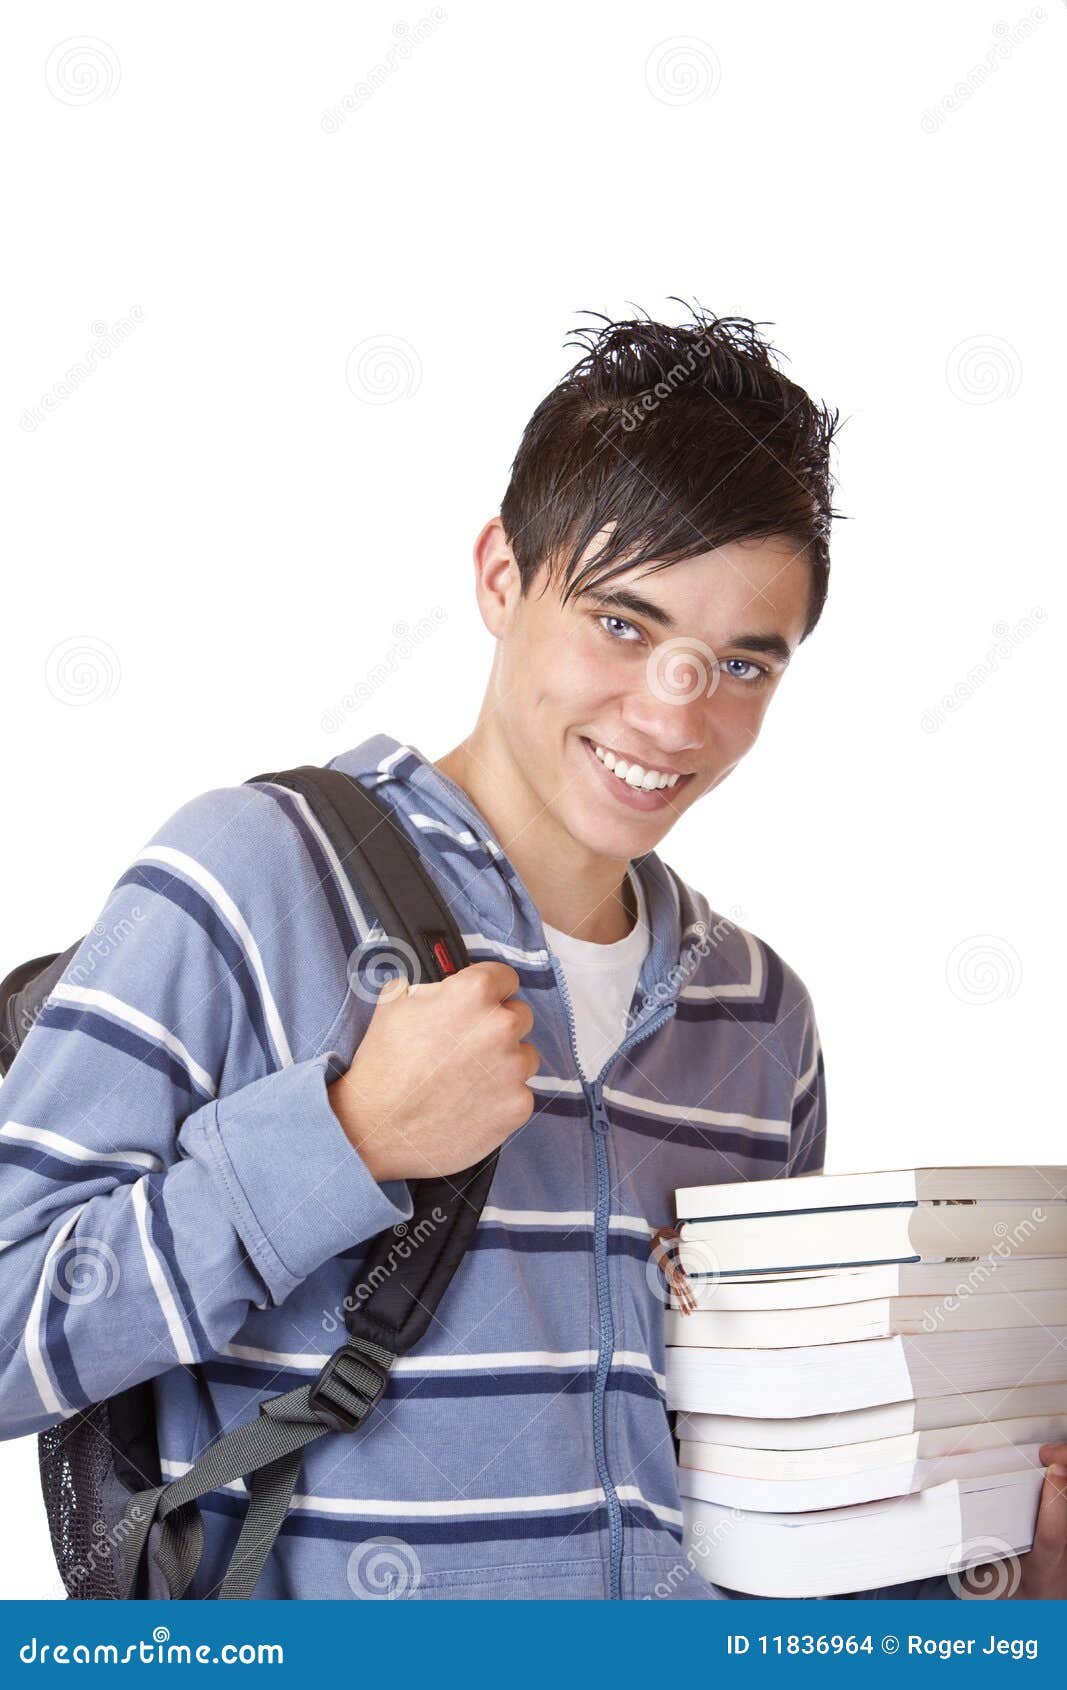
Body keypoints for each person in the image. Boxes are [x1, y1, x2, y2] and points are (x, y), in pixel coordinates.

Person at [1, 307, 1062, 1600]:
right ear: (502, 574)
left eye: (740, 663)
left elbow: (727, 1509)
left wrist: (980, 1567)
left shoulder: (758, 1018)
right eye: (622, 624)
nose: (673, 711)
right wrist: (341, 1140)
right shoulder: (247, 881)